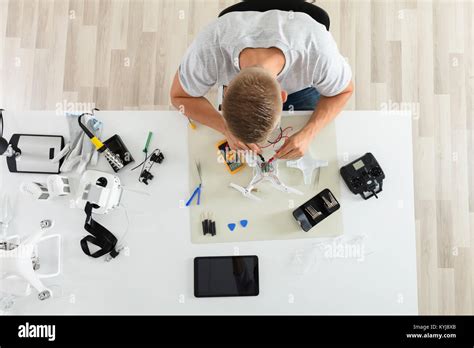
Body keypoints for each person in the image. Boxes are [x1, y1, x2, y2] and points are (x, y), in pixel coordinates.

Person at [170, 6, 353, 160]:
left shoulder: (318, 54)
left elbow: (344, 91)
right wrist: (225, 127)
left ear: (283, 96)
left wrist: (309, 133)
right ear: (226, 92)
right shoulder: (208, 50)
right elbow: (178, 97)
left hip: (304, 88)